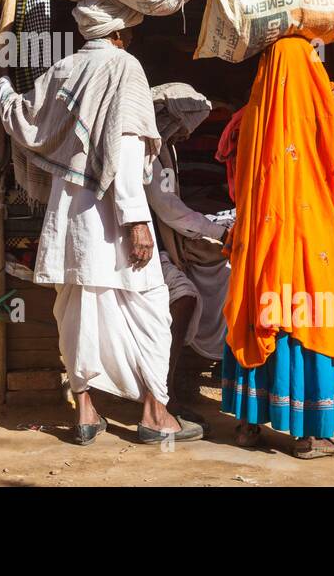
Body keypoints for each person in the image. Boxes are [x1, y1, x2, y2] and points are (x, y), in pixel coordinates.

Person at [0, 0, 202, 446]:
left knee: (77, 310)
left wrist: (3, 85)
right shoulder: (124, 68)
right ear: (120, 32)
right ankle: (155, 413)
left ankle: (85, 413)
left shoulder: (62, 71)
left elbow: (22, 118)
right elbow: (127, 148)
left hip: (69, 219)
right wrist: (136, 221)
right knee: (148, 309)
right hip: (115, 217)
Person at [218, 22, 334, 459]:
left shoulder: (247, 117)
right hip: (311, 243)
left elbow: (234, 183)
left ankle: (248, 427)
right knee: (306, 320)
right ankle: (309, 434)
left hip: (261, 241)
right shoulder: (328, 102)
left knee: (261, 315)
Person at [144, 83, 233, 425]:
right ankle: (164, 392)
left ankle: (167, 388)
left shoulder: (166, 148)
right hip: (143, 246)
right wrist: (218, 230)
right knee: (185, 301)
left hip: (163, 243)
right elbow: (168, 210)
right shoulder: (149, 152)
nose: (187, 132)